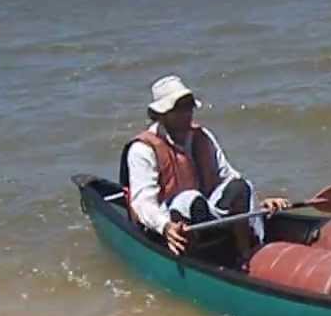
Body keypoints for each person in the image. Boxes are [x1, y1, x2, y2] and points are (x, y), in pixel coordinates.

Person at [119, 74, 290, 264]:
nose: (187, 114)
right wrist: (165, 227)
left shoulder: (202, 136)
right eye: (179, 109)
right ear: (162, 114)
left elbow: (228, 177)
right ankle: (198, 260)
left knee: (240, 186)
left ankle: (248, 253)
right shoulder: (142, 149)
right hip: (170, 221)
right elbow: (143, 203)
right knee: (190, 198)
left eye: (188, 107)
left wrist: (259, 203)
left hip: (207, 212)